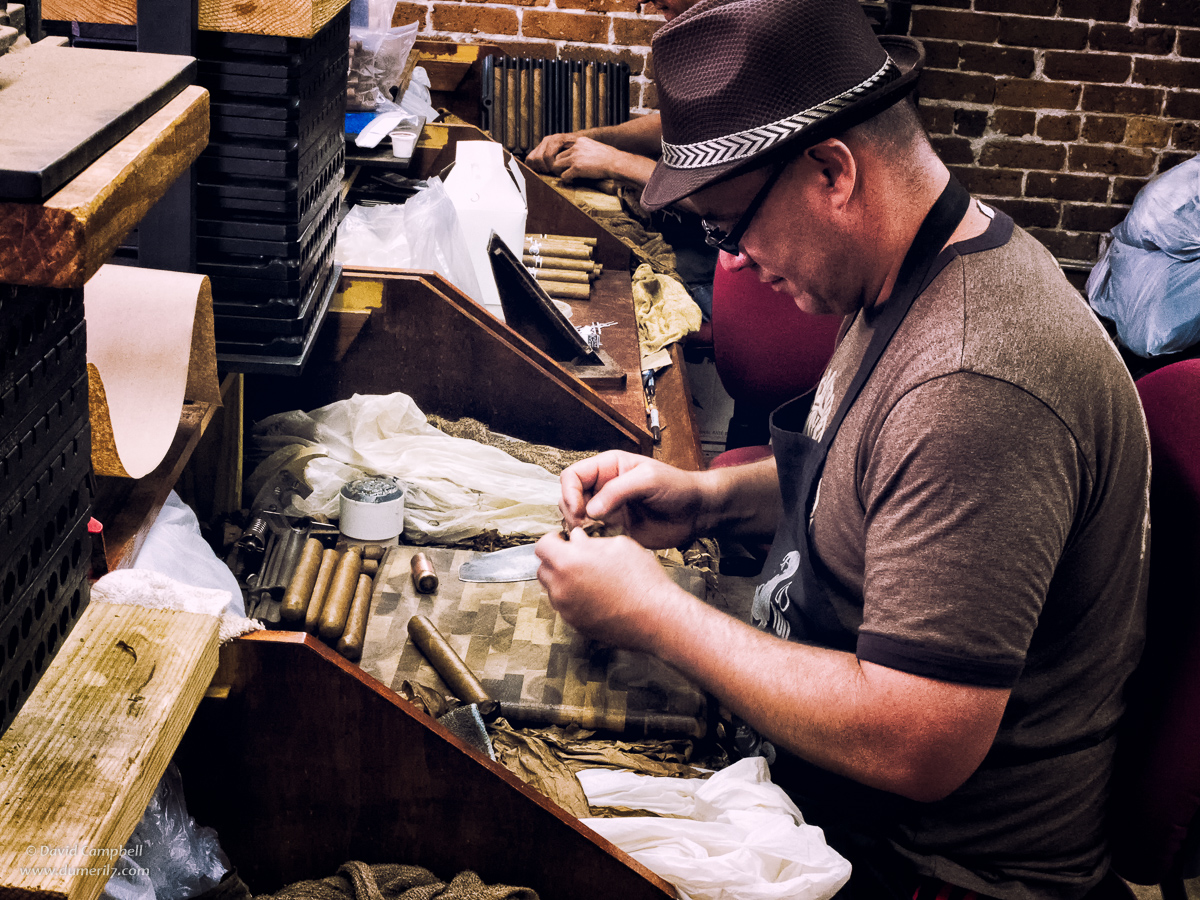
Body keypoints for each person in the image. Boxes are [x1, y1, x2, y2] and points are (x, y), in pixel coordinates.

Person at [534, 0, 1152, 897]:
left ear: (832, 170)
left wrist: (655, 615)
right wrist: (703, 496)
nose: (735, 263)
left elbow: (916, 739)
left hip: (928, 867)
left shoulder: (975, 381)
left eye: (730, 226)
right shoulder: (918, 270)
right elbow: (865, 475)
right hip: (839, 795)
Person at [524, 0, 717, 317]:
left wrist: (614, 162)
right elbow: (669, 124)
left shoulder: (754, 40)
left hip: (720, 261)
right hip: (688, 234)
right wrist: (588, 139)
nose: (647, 3)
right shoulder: (699, 33)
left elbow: (721, 195)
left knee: (610, 289)